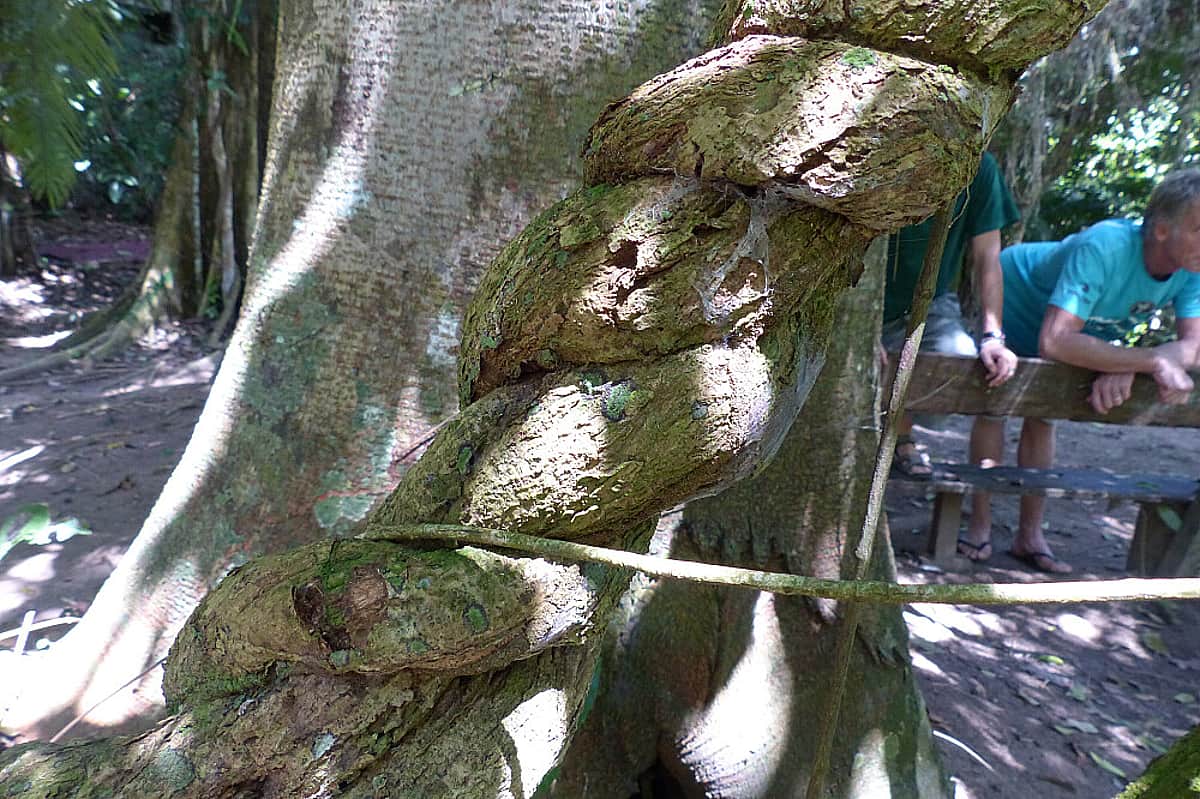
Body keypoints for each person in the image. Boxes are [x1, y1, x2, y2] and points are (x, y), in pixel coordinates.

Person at [963, 168, 1200, 573]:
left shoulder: (1190, 269)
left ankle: (1029, 535)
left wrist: (1129, 364)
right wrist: (1149, 360)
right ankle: (979, 525)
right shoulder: (1106, 246)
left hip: (1075, 331)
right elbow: (1055, 341)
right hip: (1013, 304)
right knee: (993, 405)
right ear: (1162, 230)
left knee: (1044, 418)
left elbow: (1192, 348)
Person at [884, 152, 1021, 478]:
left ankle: (898, 433)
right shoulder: (883, 147)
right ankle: (901, 439)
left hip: (930, 303)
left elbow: (988, 257)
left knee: (957, 363)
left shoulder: (978, 165)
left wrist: (992, 336)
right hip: (859, 295)